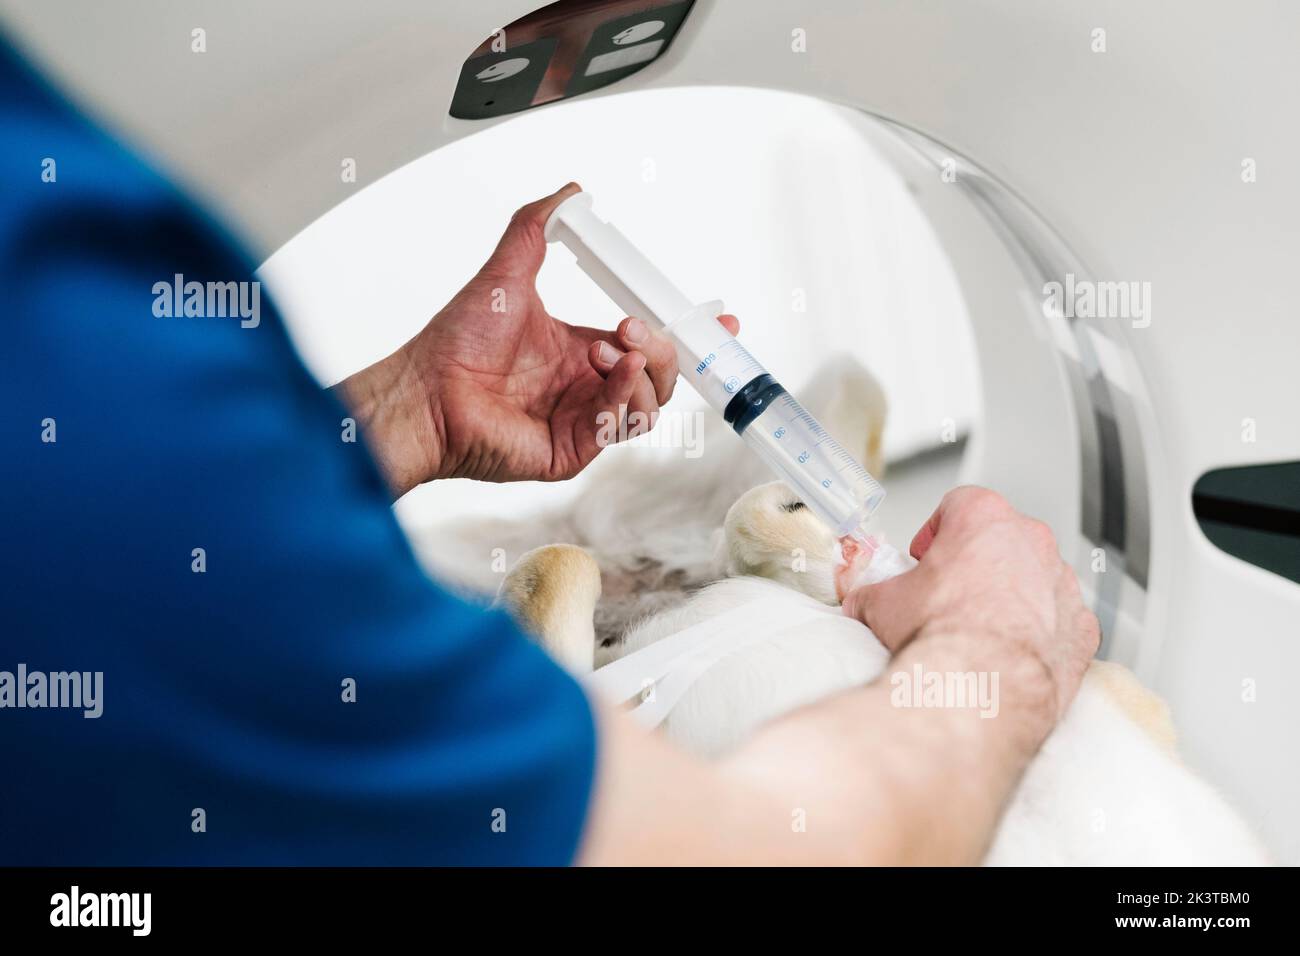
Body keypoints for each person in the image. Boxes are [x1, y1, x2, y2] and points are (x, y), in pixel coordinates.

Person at [0, 36, 1099, 865]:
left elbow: (172, 529)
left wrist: (415, 413)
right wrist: (1001, 650)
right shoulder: (85, 380)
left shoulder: (74, 337)